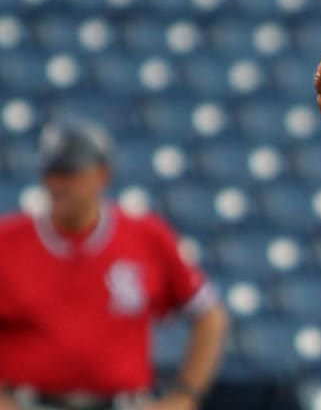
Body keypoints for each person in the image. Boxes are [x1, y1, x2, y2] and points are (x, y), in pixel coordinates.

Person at [0, 120, 229, 410]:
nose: (57, 184)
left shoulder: (145, 236)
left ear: (101, 175)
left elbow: (209, 314)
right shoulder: (7, 241)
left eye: (69, 173)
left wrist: (185, 395)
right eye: (51, 172)